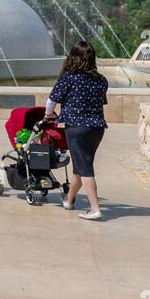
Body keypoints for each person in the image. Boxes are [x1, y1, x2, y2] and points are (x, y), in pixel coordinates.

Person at [45, 40, 109, 220]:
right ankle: (69, 200)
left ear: (73, 57)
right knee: (80, 166)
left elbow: (51, 101)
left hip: (77, 127)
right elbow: (100, 102)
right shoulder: (101, 80)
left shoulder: (69, 78)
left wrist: (48, 115)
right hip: (97, 128)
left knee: (85, 168)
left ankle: (95, 209)